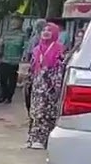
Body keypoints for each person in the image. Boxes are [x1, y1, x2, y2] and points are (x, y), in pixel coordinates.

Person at [26, 21, 67, 150]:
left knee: (46, 113)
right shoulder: (37, 49)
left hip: (50, 85)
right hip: (37, 85)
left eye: (49, 31)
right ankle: (33, 138)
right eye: (44, 30)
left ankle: (43, 139)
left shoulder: (59, 49)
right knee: (35, 111)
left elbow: (59, 69)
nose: (46, 33)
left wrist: (55, 86)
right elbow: (33, 67)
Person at [0, 16, 26, 104]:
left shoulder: (23, 35)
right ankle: (3, 95)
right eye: (13, 21)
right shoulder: (6, 34)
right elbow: (0, 45)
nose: (14, 23)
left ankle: (9, 97)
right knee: (3, 79)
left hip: (15, 61)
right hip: (5, 60)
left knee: (12, 80)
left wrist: (23, 60)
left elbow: (25, 48)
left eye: (16, 22)